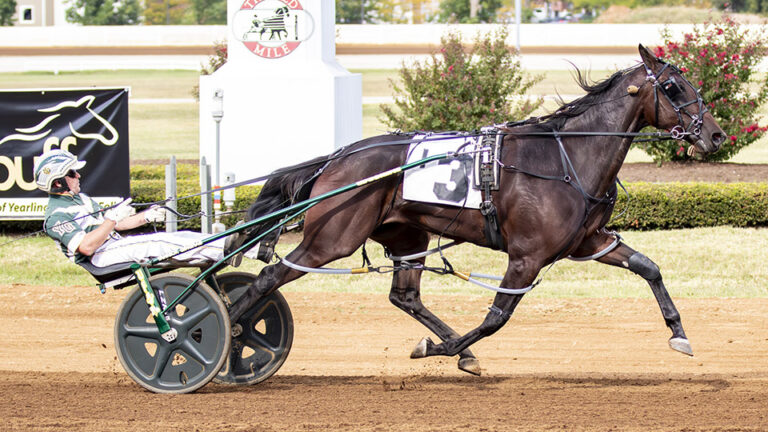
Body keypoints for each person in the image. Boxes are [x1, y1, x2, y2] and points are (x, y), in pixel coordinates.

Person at [35, 149, 252, 269]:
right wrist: (110, 220)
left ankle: (239, 248)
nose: (78, 176)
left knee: (179, 236)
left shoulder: (80, 198)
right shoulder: (56, 217)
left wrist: (146, 216)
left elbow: (118, 224)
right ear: (57, 183)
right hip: (100, 256)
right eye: (72, 173)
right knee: (157, 243)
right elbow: (87, 247)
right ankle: (228, 248)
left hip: (113, 246)